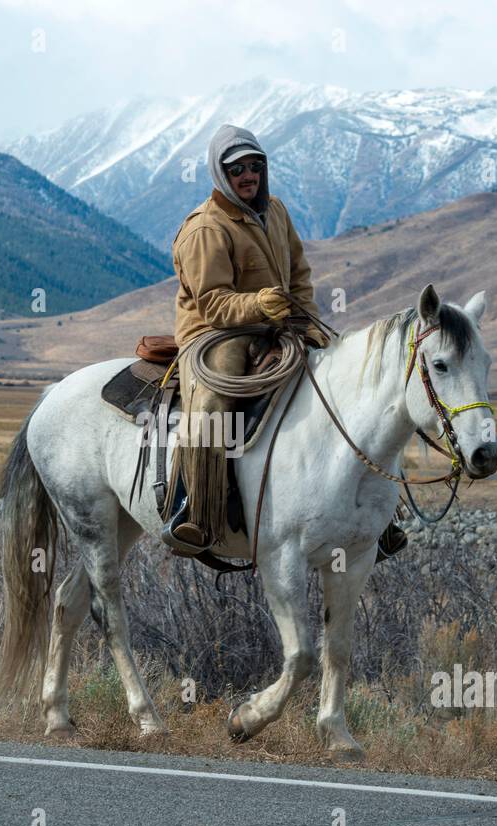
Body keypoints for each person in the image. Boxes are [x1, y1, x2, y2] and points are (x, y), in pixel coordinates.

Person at [164, 124, 327, 552]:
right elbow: (213, 304)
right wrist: (260, 305)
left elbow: (299, 274)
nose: (247, 175)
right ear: (221, 175)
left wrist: (304, 318)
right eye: (237, 168)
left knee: (352, 373)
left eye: (255, 165)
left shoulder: (275, 211)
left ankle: (375, 513)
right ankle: (192, 508)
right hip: (214, 335)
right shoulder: (205, 228)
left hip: (277, 324)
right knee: (215, 404)